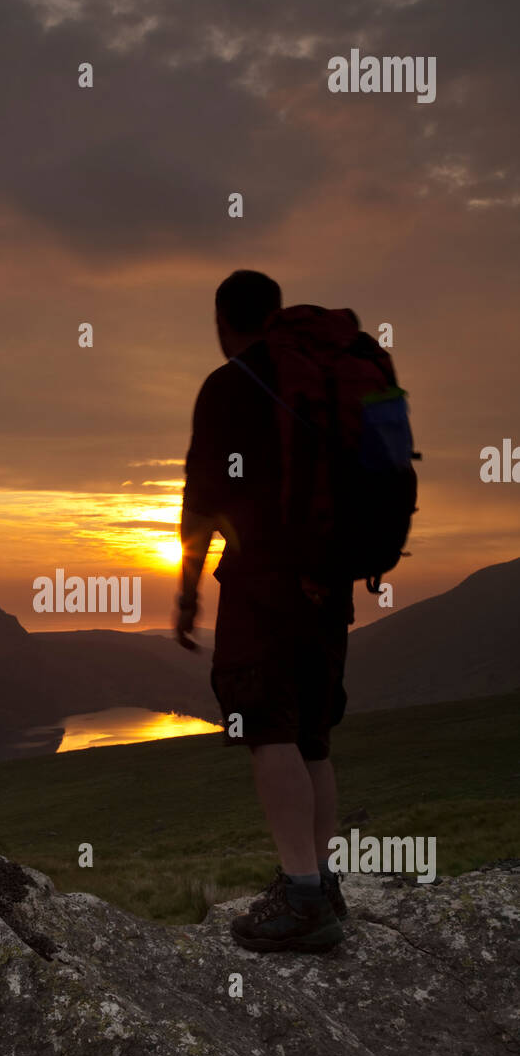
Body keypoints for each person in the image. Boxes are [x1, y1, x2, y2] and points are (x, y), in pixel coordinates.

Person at [175, 270, 351, 953]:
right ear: (278, 315)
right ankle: (322, 883)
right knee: (312, 735)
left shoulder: (227, 386)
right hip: (328, 586)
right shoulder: (325, 379)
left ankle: (302, 897)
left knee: (268, 729)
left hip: (261, 585)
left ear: (224, 322)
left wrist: (189, 590)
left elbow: (201, 496)